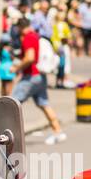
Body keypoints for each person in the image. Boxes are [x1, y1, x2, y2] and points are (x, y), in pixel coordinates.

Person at [10, 17, 66, 145]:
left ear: (19, 28)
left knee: (12, 103)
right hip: (40, 75)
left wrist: (17, 68)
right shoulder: (36, 36)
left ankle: (3, 133)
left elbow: (30, 58)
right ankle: (58, 131)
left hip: (31, 76)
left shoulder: (28, 38)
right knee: (43, 104)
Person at [51, 9, 72, 88]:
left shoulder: (54, 25)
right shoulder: (64, 25)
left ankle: (58, 81)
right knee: (64, 64)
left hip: (56, 46)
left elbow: (52, 37)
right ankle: (63, 81)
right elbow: (68, 36)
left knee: (59, 65)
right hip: (62, 46)